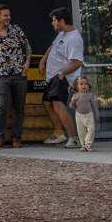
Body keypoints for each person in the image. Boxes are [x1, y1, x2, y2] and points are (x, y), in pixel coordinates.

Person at [0, 4, 31, 148]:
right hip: (0, 74)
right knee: (2, 106)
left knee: (19, 107)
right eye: (5, 15)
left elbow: (28, 46)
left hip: (19, 73)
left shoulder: (16, 30)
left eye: (9, 15)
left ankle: (16, 138)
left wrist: (27, 62)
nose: (8, 18)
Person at [40, 8, 84, 148]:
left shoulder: (74, 39)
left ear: (62, 21)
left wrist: (62, 74)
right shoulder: (62, 34)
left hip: (62, 78)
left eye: (54, 21)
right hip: (52, 77)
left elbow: (78, 62)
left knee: (59, 105)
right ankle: (59, 133)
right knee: (47, 103)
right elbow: (52, 47)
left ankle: (73, 137)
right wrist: (42, 61)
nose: (53, 24)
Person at [69, 75, 99, 151]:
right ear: (76, 86)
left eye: (85, 84)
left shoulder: (89, 96)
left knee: (91, 129)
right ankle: (83, 145)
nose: (84, 86)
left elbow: (94, 106)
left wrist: (96, 114)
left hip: (88, 115)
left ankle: (88, 144)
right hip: (79, 115)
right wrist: (73, 103)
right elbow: (71, 107)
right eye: (81, 84)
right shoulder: (75, 96)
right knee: (81, 131)